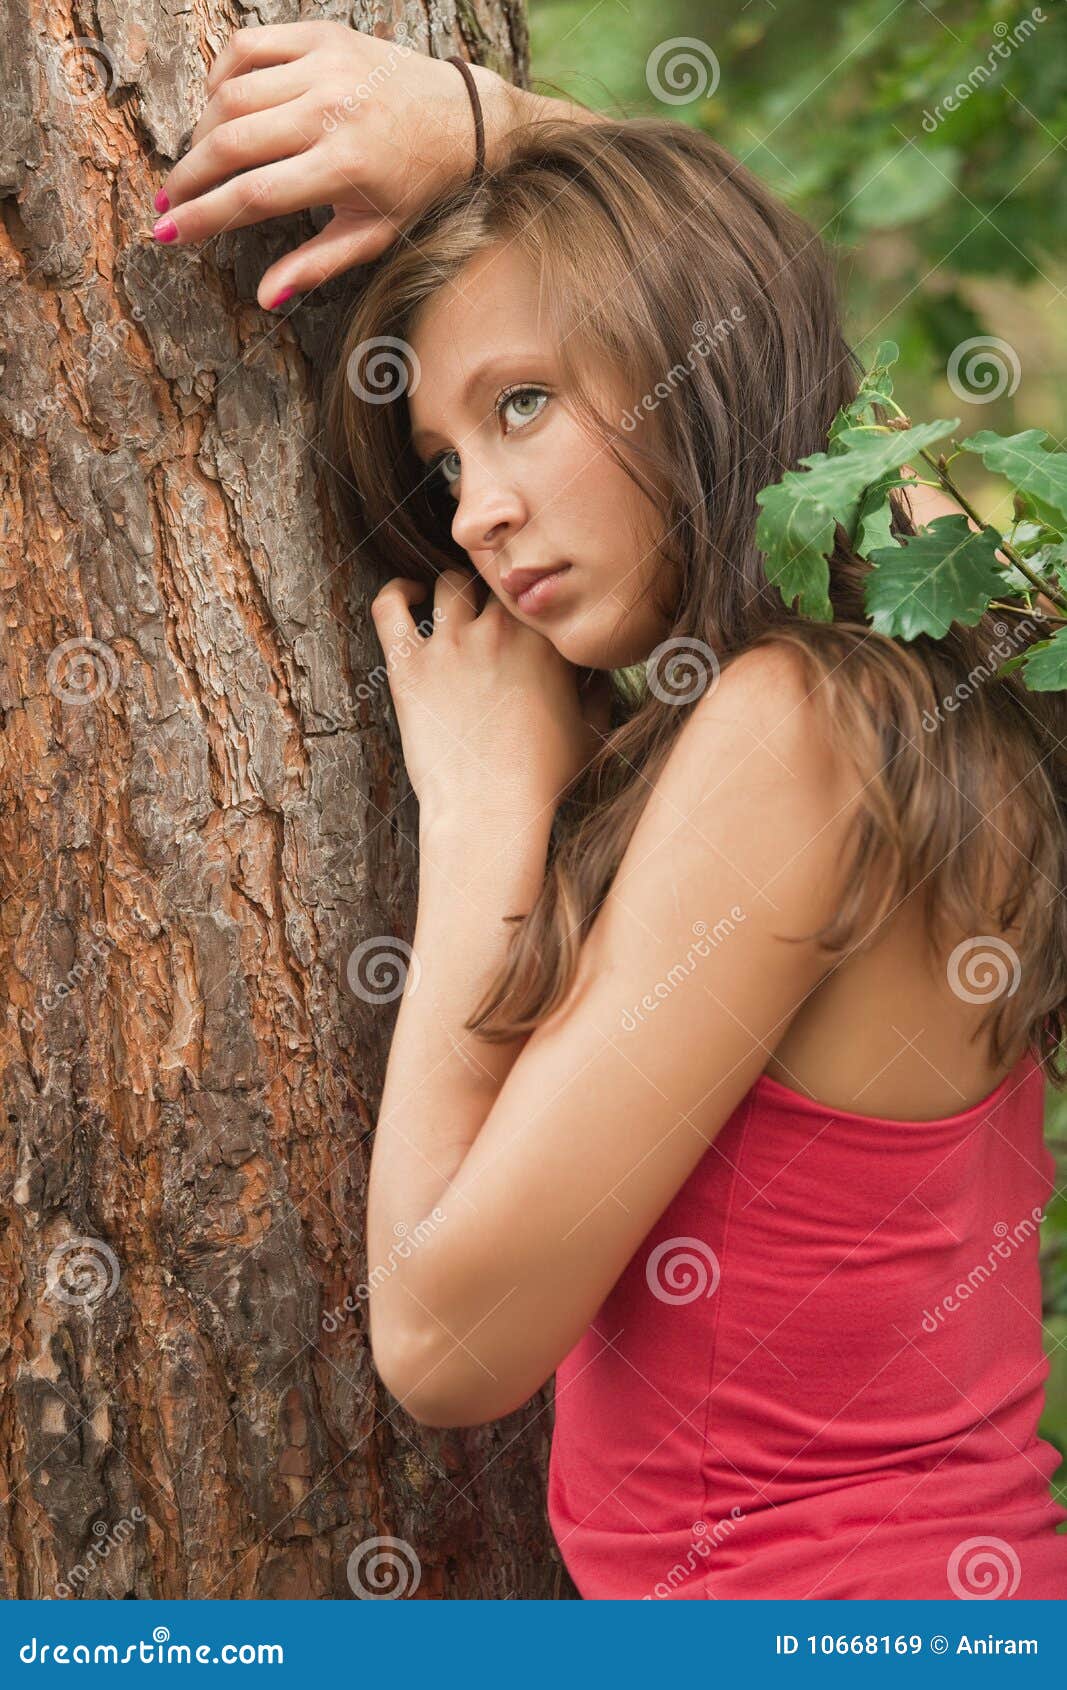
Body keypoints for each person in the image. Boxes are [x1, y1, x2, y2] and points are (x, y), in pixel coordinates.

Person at [155, 22, 1067, 1600]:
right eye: (445, 462)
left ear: (687, 358)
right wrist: (503, 126)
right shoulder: (923, 663)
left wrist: (483, 820)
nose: (479, 511)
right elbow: (811, 381)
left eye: (522, 404)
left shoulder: (802, 723)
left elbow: (443, 1342)